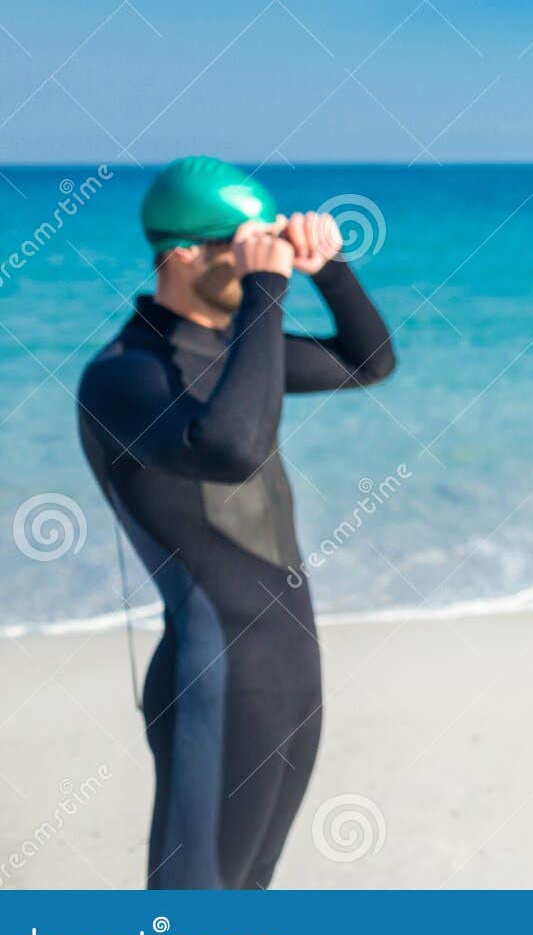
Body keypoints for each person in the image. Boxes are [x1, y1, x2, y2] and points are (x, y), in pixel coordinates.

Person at [77, 157, 397, 889]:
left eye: (269, 241)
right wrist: (267, 289)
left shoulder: (232, 352)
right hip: (215, 677)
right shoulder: (124, 374)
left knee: (250, 889)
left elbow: (368, 360)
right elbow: (231, 447)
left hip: (291, 669)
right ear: (183, 252)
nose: (266, 255)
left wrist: (330, 270)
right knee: (190, 913)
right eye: (244, 243)